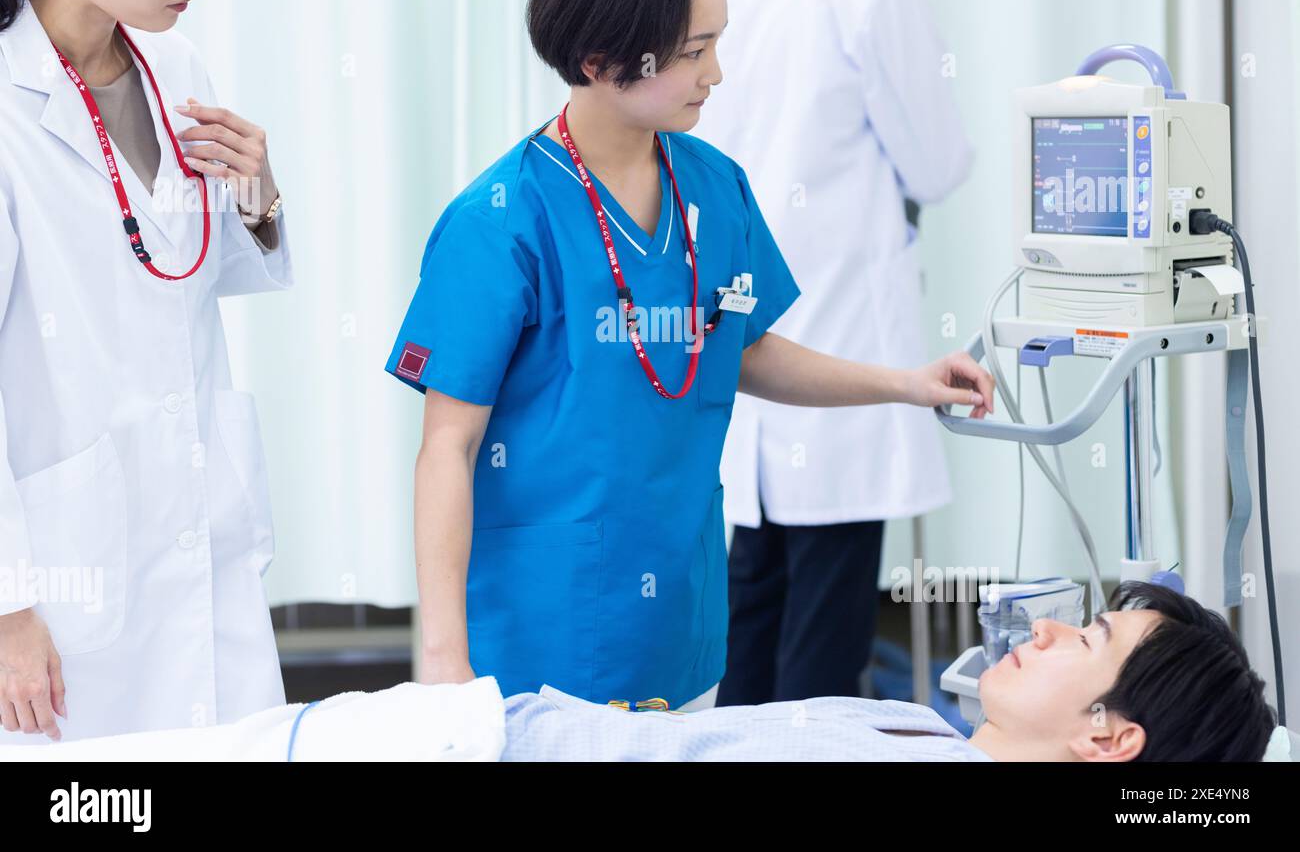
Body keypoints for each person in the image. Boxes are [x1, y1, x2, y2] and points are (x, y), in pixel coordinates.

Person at [385, 0, 993, 713]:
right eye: (693, 51)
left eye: (717, 44)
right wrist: (442, 661)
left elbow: (742, 349)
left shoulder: (714, 186)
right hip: (539, 638)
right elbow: (448, 449)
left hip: (679, 619)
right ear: (601, 59)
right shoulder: (501, 221)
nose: (716, 73)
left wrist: (907, 383)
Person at [0, 0, 292, 743]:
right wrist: (10, 608)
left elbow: (179, 273)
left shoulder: (179, 68)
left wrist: (259, 200)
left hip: (202, 538)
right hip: (63, 570)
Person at [690, 0, 974, 705]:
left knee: (746, 602)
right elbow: (939, 163)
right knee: (826, 625)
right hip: (841, 335)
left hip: (730, 336)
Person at [0, 584, 1277, 762]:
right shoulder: (917, 729)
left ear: (1112, 739)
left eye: (1089, 643)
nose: (1048, 629)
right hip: (481, 724)